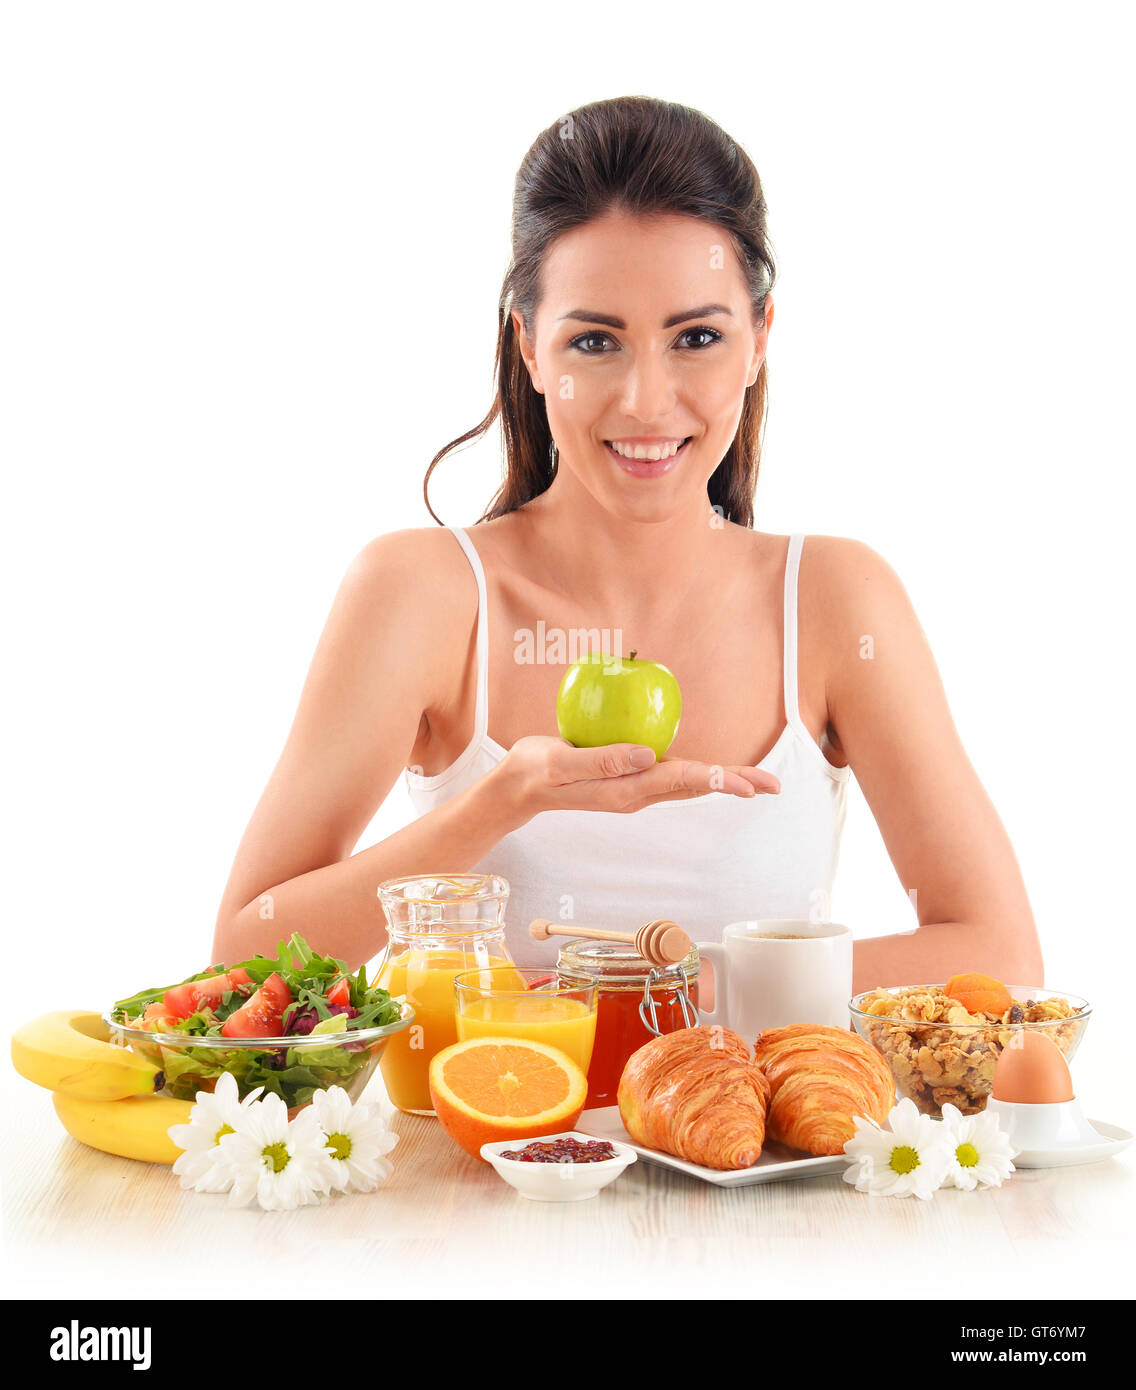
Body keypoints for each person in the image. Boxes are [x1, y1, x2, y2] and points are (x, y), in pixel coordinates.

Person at [211, 96, 1044, 998]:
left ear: (761, 339)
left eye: (696, 337)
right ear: (529, 348)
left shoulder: (837, 598)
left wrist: (670, 988)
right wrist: (500, 803)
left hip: (751, 1143)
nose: (647, 401)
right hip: (482, 1136)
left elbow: (1000, 957)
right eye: (595, 341)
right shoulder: (424, 594)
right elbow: (243, 959)